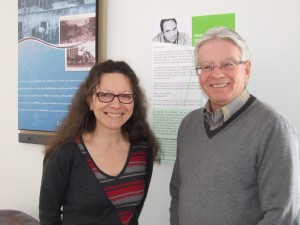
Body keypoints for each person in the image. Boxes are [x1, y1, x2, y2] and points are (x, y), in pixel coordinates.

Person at [169, 27, 300, 225]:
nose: (217, 74)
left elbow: (281, 215)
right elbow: (177, 193)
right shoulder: (189, 125)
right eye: (207, 66)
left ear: (246, 69)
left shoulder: (273, 128)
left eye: (227, 64)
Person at [39, 59, 160, 225]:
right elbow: (48, 216)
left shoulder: (142, 151)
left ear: (134, 101)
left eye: (125, 96)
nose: (116, 104)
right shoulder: (65, 152)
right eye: (105, 95)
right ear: (90, 100)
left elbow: (132, 215)